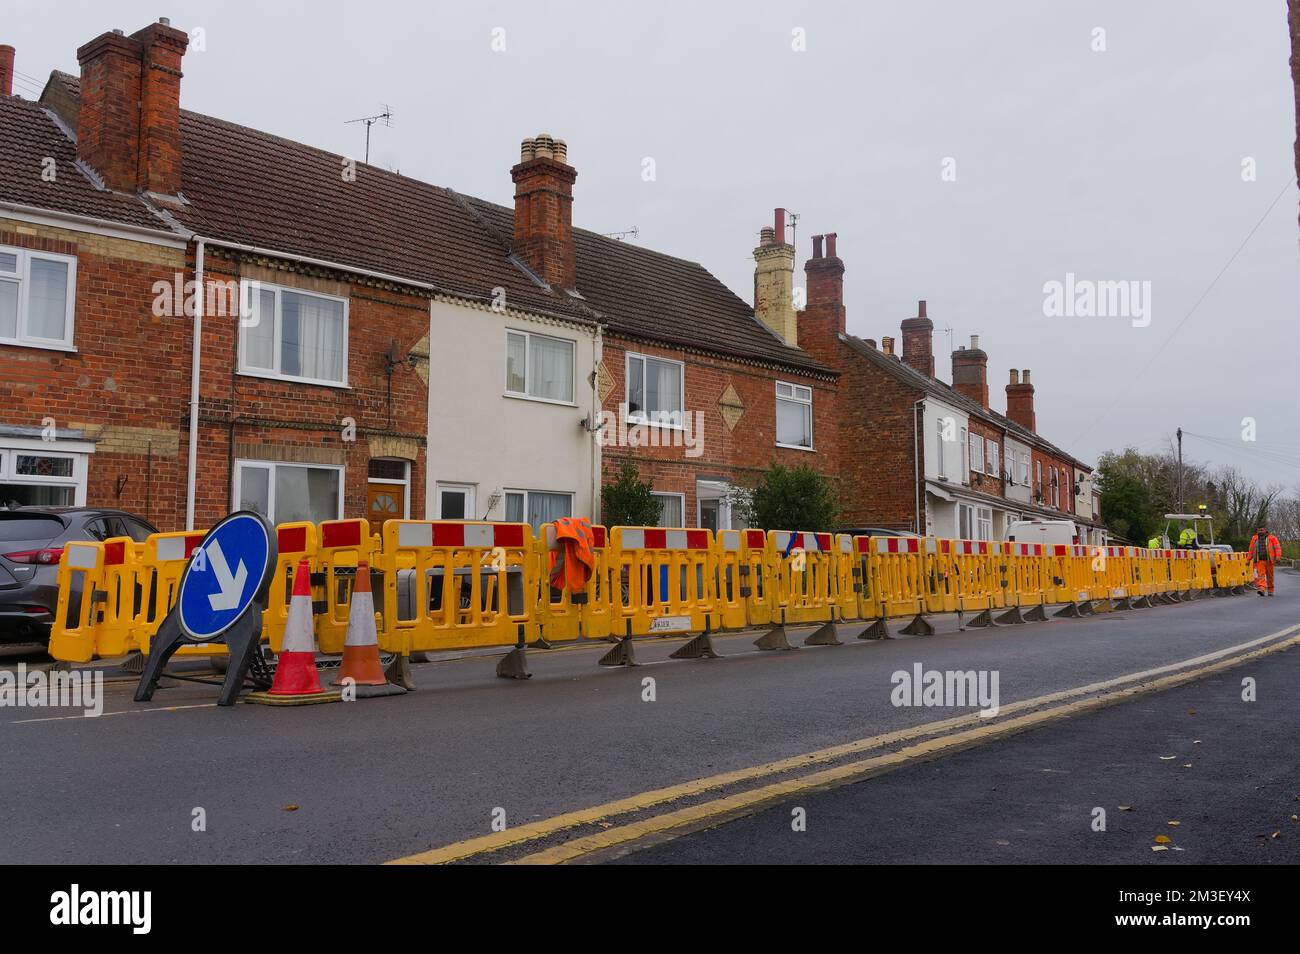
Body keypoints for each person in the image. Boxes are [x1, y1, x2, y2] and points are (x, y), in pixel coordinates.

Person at [1245, 525, 1282, 596]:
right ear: (1257, 531)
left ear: (1265, 530)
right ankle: (1262, 589)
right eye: (1259, 530)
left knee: (1270, 576)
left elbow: (1277, 548)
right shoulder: (1254, 538)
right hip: (1259, 561)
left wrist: (1278, 557)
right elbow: (1251, 550)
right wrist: (1248, 559)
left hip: (1269, 560)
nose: (1260, 531)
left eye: (1261, 530)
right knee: (1261, 575)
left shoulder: (1272, 538)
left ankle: (1270, 590)